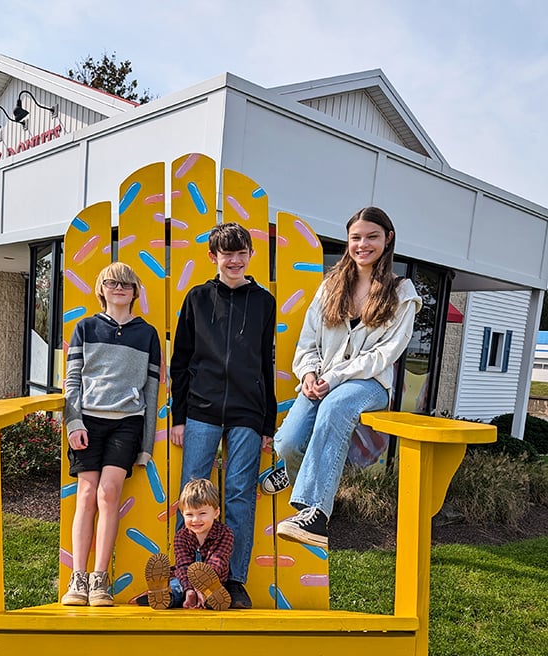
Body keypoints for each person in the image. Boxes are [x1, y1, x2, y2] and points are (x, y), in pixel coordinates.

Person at [262, 206, 421, 549]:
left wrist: (333, 378)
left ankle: (316, 515)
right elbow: (307, 342)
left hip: (369, 385)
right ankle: (293, 472)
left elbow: (384, 355)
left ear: (388, 239)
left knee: (335, 408)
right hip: (321, 380)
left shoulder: (402, 293)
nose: (363, 244)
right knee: (286, 443)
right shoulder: (330, 287)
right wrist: (306, 374)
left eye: (372, 237)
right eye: (356, 238)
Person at [169, 222, 276, 609]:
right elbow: (179, 362)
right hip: (201, 410)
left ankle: (233, 581)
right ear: (213, 257)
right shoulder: (196, 298)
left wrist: (268, 423)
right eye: (226, 253)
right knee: (192, 494)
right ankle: (184, 580)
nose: (234, 260)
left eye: (241, 252)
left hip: (248, 412)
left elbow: (266, 364)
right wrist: (179, 415)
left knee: (239, 497)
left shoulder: (263, 301)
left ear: (250, 255)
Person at [61, 262, 162, 606]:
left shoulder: (146, 333)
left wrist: (146, 446)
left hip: (127, 422)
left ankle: (100, 580)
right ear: (101, 289)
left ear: (135, 292)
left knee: (108, 494)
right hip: (87, 421)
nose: (119, 288)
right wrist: (73, 423)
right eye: (112, 282)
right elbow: (71, 380)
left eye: (126, 283)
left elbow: (152, 390)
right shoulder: (85, 328)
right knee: (86, 495)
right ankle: (78, 578)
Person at [144, 478, 233, 611]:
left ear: (216, 513)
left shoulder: (225, 533)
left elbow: (217, 562)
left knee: (214, 591)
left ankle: (208, 601)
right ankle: (164, 596)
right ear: (182, 514)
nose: (195, 520)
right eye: (189, 514)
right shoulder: (181, 536)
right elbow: (183, 565)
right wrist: (189, 591)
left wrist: (201, 588)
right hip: (183, 580)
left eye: (202, 513)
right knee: (176, 587)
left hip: (213, 583)